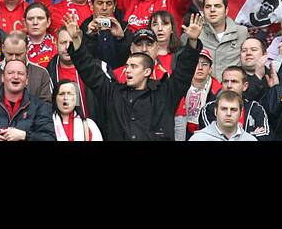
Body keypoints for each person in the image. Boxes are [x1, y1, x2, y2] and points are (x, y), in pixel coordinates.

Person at [64, 11, 204, 141]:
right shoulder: (113, 93)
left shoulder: (164, 94)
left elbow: (184, 72)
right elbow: (90, 72)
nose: (128, 70)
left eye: (134, 66)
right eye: (128, 66)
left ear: (147, 72)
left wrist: (192, 42)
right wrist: (77, 40)